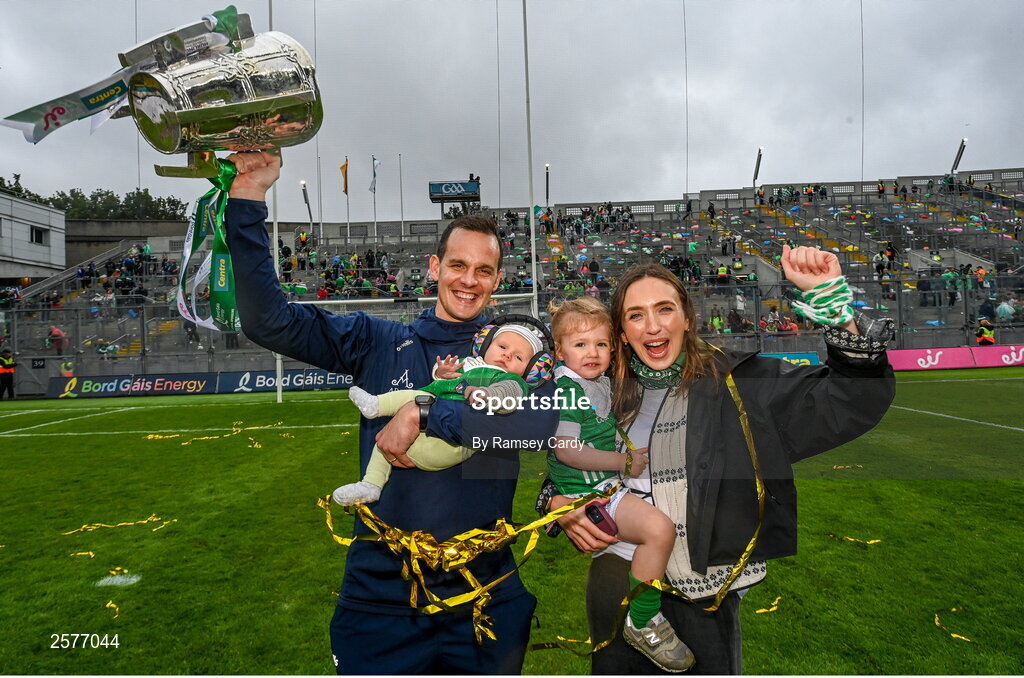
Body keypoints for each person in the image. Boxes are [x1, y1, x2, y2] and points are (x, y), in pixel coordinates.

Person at [223, 150, 558, 675]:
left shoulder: (516, 358)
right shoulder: (376, 339)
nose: (469, 280)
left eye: (483, 270)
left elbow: (539, 428)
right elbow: (268, 322)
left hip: (484, 592)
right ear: (434, 268)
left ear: (496, 280)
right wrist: (248, 197)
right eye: (458, 265)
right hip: (382, 594)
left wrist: (423, 414)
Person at [542, 247, 894, 674]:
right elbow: (566, 458)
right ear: (621, 331)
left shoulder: (739, 382)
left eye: (664, 309)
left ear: (687, 317)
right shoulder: (605, 388)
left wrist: (837, 310)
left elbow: (848, 403)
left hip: (703, 591)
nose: (651, 325)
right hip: (615, 580)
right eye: (635, 315)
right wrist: (556, 505)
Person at [545, 296, 694, 672]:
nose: (592, 353)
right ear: (558, 351)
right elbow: (565, 451)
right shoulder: (568, 389)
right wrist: (621, 463)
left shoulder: (601, 382)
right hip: (598, 498)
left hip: (615, 495)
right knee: (660, 530)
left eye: (600, 344)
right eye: (580, 344)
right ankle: (642, 620)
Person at [333, 322, 546, 506]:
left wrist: (488, 395)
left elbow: (508, 396)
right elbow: (442, 383)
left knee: (415, 403)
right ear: (485, 345)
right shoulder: (470, 364)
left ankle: (377, 407)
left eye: (518, 357)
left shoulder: (511, 381)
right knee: (391, 430)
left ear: (530, 370)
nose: (507, 354)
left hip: (450, 444)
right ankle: (371, 483)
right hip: (424, 425)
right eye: (502, 346)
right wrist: (443, 373)